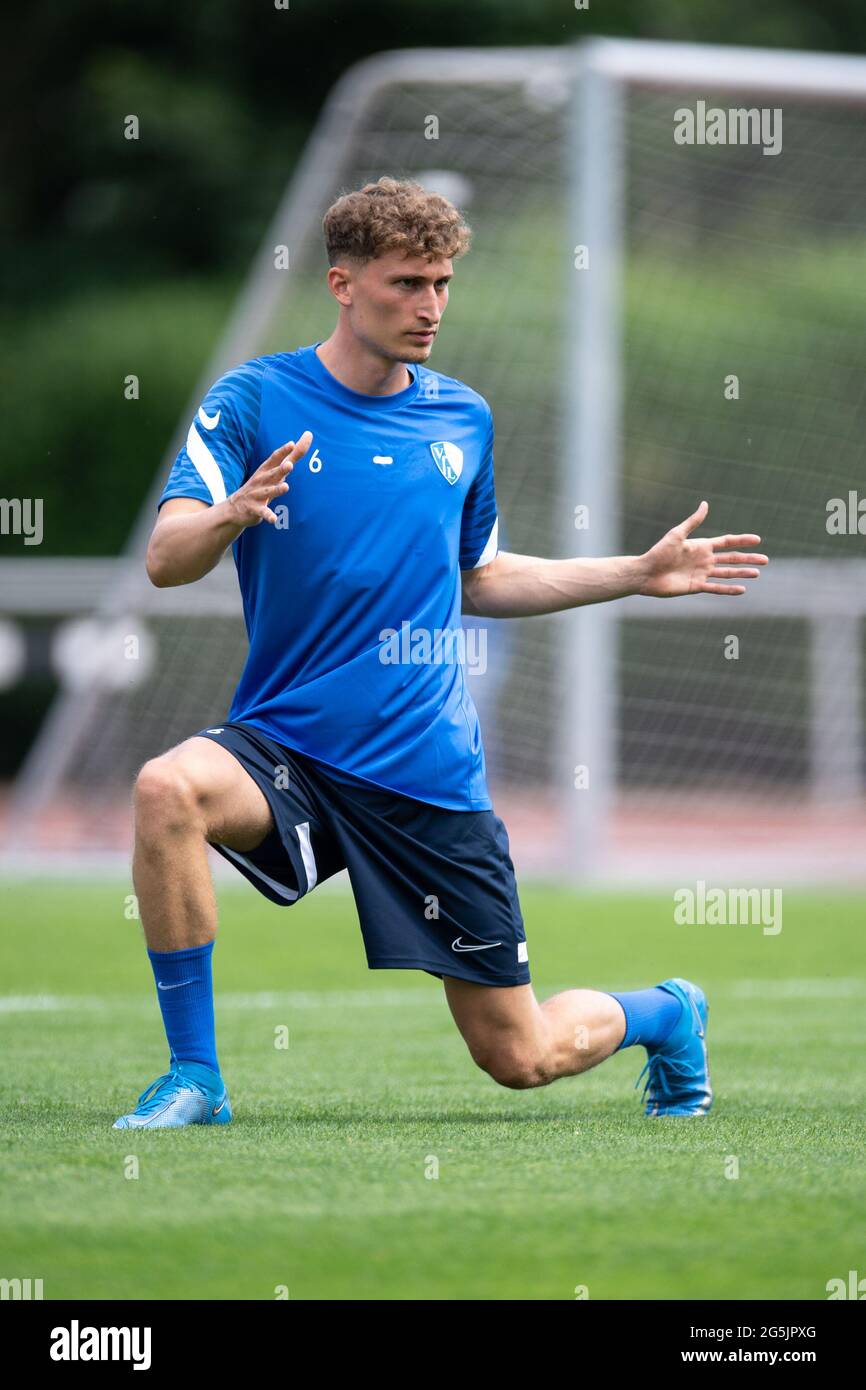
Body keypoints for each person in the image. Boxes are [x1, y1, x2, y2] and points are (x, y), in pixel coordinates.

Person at [114, 177, 767, 1129]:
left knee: (521, 1056)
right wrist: (229, 515)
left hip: (421, 771)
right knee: (166, 789)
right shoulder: (254, 401)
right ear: (342, 284)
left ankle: (668, 1012)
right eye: (406, 283)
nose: (430, 307)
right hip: (285, 747)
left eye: (443, 283)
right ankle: (196, 1080)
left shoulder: (462, 418)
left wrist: (633, 571)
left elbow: (483, 577)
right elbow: (166, 561)